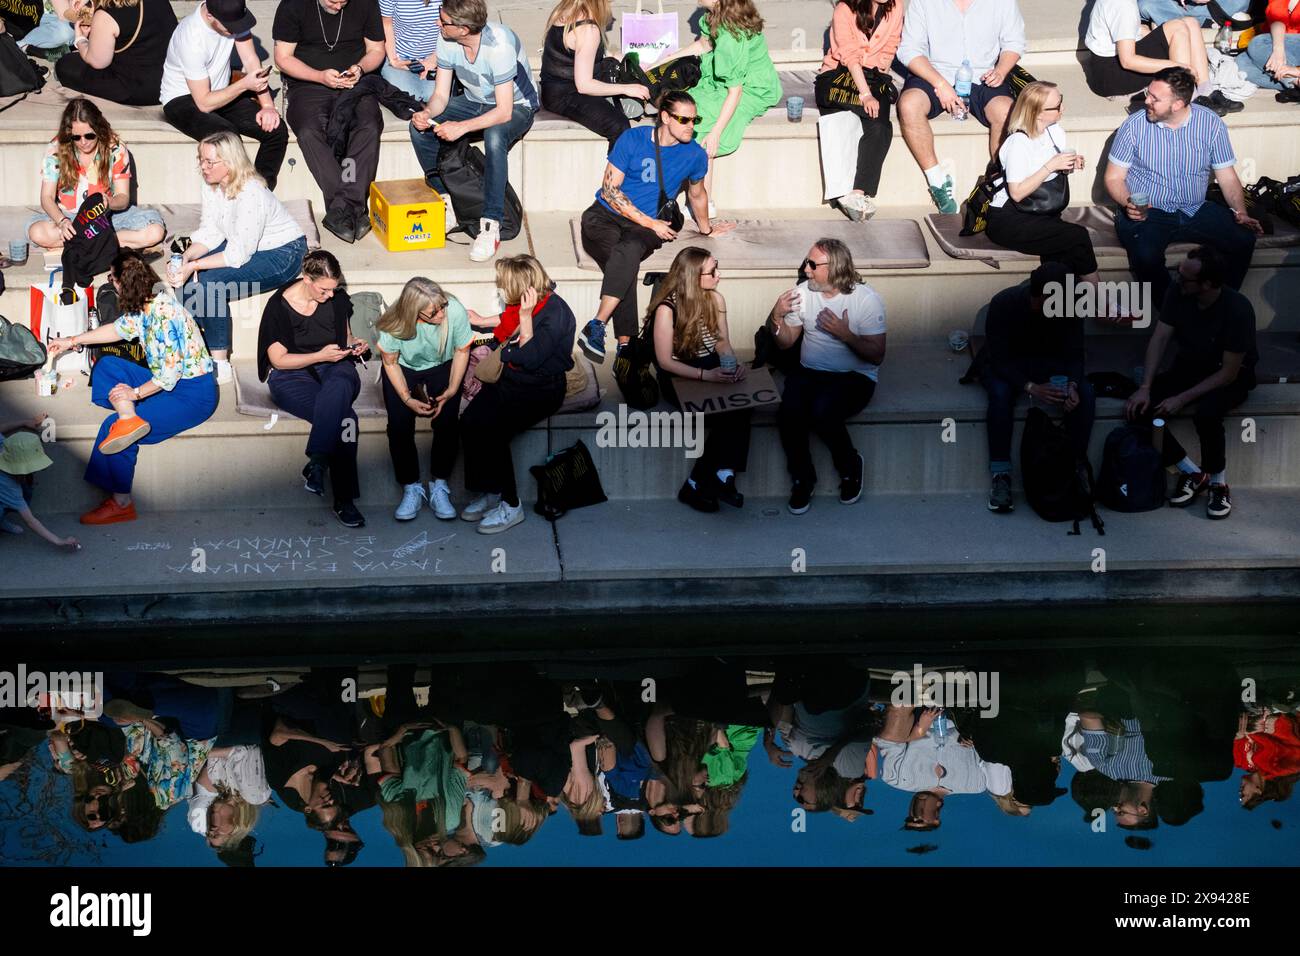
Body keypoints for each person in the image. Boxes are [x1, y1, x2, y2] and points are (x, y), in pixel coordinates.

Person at [46, 250, 219, 527]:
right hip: (169, 382)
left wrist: (135, 394)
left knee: (115, 428)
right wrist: (71, 340)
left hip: (192, 395)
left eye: (111, 278)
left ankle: (121, 502)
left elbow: (167, 378)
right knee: (107, 366)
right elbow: (117, 330)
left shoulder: (163, 315)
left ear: (119, 284)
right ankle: (128, 407)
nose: (110, 282)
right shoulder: (147, 303)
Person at [576, 91, 734, 364]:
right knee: (622, 258)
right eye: (684, 119)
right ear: (664, 117)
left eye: (695, 119)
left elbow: (697, 194)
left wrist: (707, 229)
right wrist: (651, 223)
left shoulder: (694, 154)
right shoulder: (633, 139)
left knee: (627, 252)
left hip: (648, 226)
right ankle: (625, 346)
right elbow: (610, 190)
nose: (691, 125)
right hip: (605, 215)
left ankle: (598, 324)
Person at [1103, 68, 1262, 308]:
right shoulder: (1134, 126)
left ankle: (1217, 307)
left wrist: (1240, 213)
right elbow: (1114, 178)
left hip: (1194, 208)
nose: (1147, 100)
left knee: (1243, 240)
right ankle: (1176, 315)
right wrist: (1128, 202)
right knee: (1145, 256)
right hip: (1149, 211)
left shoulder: (1210, 123)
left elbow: (1227, 176)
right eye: (1148, 93)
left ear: (1178, 104)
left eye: (1155, 98)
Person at [1124, 246, 1257, 520]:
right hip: (1190, 366)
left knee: (1207, 414)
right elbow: (1160, 339)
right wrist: (1146, 387)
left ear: (1207, 284)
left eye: (1184, 278)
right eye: (1177, 273)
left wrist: (1181, 399)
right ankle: (1192, 472)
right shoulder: (1179, 291)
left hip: (1228, 374)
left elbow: (1228, 374)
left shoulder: (1237, 309)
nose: (1177, 280)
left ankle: (1218, 481)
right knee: (1139, 408)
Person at [408, 0, 539, 262]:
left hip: (517, 106)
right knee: (416, 129)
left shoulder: (498, 45)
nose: (438, 23)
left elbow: (503, 111)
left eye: (443, 21)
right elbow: (442, 96)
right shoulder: (446, 37)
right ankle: (447, 201)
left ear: (464, 29)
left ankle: (491, 223)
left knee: (494, 136)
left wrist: (461, 128)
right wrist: (427, 113)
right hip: (473, 102)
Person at [173, 131, 308, 383]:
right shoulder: (212, 185)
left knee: (210, 282)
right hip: (246, 244)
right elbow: (210, 230)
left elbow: (237, 255)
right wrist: (186, 257)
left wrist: (195, 265)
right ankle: (193, 343)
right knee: (183, 277)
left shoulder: (250, 193)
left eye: (209, 162)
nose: (203, 167)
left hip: (283, 253)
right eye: (200, 160)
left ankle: (219, 362)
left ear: (230, 162)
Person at [767, 239, 887, 515]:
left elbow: (877, 355)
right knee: (789, 413)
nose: (806, 270)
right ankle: (802, 478)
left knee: (823, 412)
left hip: (854, 376)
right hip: (810, 372)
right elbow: (786, 343)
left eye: (812, 265)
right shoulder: (803, 293)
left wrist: (845, 335)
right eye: (806, 263)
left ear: (834, 268)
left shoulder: (866, 300)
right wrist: (776, 318)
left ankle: (849, 466)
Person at [458, 255, 574, 534]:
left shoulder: (555, 314)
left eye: (503, 284)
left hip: (540, 389)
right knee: (470, 421)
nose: (499, 288)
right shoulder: (523, 305)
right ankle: (490, 491)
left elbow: (529, 357)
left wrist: (509, 345)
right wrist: (490, 327)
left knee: (495, 433)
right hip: (512, 381)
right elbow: (508, 325)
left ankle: (511, 506)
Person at [257, 250, 369, 529]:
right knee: (346, 419)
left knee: (342, 380)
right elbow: (278, 359)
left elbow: (345, 338)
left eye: (334, 289)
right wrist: (319, 356)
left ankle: (317, 462)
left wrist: (355, 344)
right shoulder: (279, 306)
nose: (330, 295)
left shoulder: (336, 299)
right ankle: (344, 500)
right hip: (291, 374)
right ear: (307, 279)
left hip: (335, 367)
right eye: (324, 289)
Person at [981, 261, 1095, 514]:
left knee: (1085, 392)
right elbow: (998, 358)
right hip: (1010, 362)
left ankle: (1076, 464)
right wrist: (1031, 387)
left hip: (1048, 362)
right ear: (1044, 296)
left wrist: (1073, 384)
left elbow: (1076, 354)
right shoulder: (1005, 303)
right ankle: (1001, 475)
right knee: (1000, 394)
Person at [895, 0, 1026, 214]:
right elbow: (909, 49)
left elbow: (1014, 42)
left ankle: (998, 181)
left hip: (982, 74)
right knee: (909, 105)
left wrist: (1001, 71)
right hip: (936, 72)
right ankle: (937, 180)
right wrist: (940, 84)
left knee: (1006, 110)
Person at [274, 0, 386, 243]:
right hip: (308, 83)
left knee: (368, 125)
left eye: (343, 1)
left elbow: (376, 50)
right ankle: (350, 208)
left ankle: (340, 209)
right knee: (308, 130)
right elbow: (283, 58)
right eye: (332, 1)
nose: (338, 5)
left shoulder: (365, 3)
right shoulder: (293, 5)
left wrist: (360, 68)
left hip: (355, 82)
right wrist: (318, 76)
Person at [649, 246, 750, 513]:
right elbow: (665, 361)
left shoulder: (715, 300)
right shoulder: (667, 309)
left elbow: (722, 342)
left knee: (743, 404)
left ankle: (719, 477)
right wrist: (709, 376)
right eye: (712, 271)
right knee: (727, 415)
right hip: (679, 375)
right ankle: (704, 482)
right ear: (694, 277)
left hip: (709, 368)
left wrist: (732, 365)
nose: (719, 275)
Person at [664, 0, 781, 211]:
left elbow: (734, 91)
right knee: (678, 105)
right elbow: (704, 44)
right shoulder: (715, 15)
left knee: (700, 122)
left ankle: (703, 203)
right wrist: (664, 62)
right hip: (721, 82)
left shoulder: (731, 35)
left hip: (749, 88)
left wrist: (716, 132)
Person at [160, 0, 288, 190]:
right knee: (227, 136)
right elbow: (203, 103)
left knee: (276, 130)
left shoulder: (233, 15)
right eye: (230, 28)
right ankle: (234, 197)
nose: (235, 30)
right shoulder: (191, 37)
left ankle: (260, 194)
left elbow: (251, 59)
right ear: (210, 16)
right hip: (183, 99)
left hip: (221, 91)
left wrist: (267, 106)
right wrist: (244, 84)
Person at [376, 277, 474, 522]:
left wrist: (452, 389)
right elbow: (390, 362)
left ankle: (439, 485)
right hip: (404, 367)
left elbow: (462, 350)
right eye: (434, 312)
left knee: (447, 420)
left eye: (442, 306)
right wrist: (407, 399)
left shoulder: (455, 310)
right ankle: (411, 486)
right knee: (399, 424)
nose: (442, 313)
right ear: (415, 313)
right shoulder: (395, 322)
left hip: (442, 364)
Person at [984, 81, 1099, 283]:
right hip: (1010, 218)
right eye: (1056, 106)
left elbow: (1052, 171)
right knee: (1077, 237)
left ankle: (1066, 304)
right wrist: (1051, 166)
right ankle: (1101, 301)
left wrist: (1069, 164)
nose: (1063, 108)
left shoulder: (1054, 132)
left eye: (1061, 101)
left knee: (1062, 258)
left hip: (1042, 211)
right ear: (1037, 113)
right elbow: (1017, 192)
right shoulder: (1019, 142)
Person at [28, 98, 166, 253]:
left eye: (89, 136)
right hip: (69, 216)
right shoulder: (55, 148)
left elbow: (123, 198)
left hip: (107, 216)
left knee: (155, 232)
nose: (83, 142)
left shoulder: (115, 148)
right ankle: (102, 242)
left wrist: (110, 203)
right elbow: (46, 197)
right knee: (37, 232)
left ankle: (81, 243)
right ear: (69, 134)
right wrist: (62, 221)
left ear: (98, 130)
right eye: (76, 137)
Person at [815, 0, 904, 222]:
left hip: (873, 77)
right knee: (860, 113)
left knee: (881, 126)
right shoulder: (844, 9)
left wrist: (881, 72)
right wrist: (866, 94)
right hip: (839, 76)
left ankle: (857, 193)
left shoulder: (896, 6)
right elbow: (850, 56)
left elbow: (892, 42)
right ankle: (840, 192)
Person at [540, 0, 650, 150]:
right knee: (620, 126)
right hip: (565, 95)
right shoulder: (588, 29)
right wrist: (626, 89)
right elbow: (584, 85)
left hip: (552, 88)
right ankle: (616, 173)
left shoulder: (567, 9)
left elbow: (576, 58)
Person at [1082, 0, 1217, 111]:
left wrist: (1141, 31)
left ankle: (1205, 91)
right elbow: (1127, 61)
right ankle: (1184, 97)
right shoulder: (1123, 5)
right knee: (1178, 28)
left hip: (1108, 65)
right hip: (1111, 77)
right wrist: (1180, 66)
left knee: (1190, 22)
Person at [55, 0, 177, 105]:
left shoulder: (106, 14)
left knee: (65, 65)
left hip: (139, 90)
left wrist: (81, 40)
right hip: (170, 82)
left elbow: (98, 62)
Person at [0, 424, 80, 551]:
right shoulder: (9, 486)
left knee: (25, 488)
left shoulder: (5, 445)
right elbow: (31, 521)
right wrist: (59, 541)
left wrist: (25, 421)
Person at [380, 0, 441, 99]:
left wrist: (435, 57)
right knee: (409, 97)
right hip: (400, 56)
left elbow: (453, 25)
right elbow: (386, 23)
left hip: (436, 55)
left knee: (433, 97)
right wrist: (393, 60)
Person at [1237, 0, 1300, 93]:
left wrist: (1297, 70)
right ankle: (1294, 81)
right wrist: (1278, 50)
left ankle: (1292, 77)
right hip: (1278, 42)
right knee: (1241, 62)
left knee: (1257, 43)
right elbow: (1277, 18)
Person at [1139, 0, 1250, 29]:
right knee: (1145, 5)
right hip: (1179, 7)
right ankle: (1204, 22)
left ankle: (1202, 20)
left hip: (1217, 5)